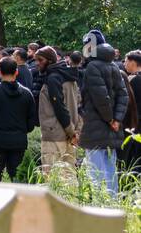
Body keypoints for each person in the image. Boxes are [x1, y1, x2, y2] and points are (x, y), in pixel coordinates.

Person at [77, 29, 129, 197]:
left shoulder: (92, 67)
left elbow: (101, 98)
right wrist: (117, 120)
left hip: (96, 125)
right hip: (113, 128)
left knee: (96, 173)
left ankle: (101, 209)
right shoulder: (114, 66)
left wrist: (109, 119)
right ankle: (113, 205)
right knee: (110, 169)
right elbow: (123, 95)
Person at [0, 57, 37, 182]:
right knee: (17, 179)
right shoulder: (27, 94)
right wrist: (22, 130)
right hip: (18, 140)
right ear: (16, 72)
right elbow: (32, 120)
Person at [34, 46, 80, 178]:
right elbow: (79, 104)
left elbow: (60, 107)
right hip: (70, 134)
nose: (37, 63)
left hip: (55, 135)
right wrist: (76, 131)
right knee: (69, 177)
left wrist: (71, 131)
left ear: (49, 60)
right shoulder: (69, 75)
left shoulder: (53, 78)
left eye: (40, 60)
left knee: (52, 177)